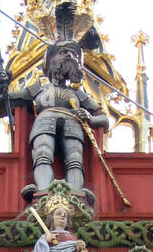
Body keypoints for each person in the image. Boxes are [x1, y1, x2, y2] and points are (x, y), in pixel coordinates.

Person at [28, 42, 108, 192]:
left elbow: (104, 119)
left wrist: (90, 118)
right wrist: (0, 85)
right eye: (63, 52)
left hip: (72, 123)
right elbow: (3, 101)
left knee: (75, 159)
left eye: (74, 55)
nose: (69, 56)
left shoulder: (78, 93)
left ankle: (76, 194)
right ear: (50, 59)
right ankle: (43, 191)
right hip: (44, 121)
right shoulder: (38, 89)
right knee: (42, 153)